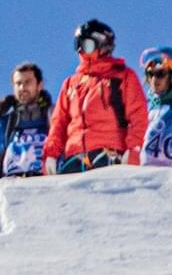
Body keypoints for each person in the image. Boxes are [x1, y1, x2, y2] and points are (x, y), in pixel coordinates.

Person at [44, 19, 149, 174]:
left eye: (86, 45)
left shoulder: (122, 77)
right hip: (74, 156)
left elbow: (138, 117)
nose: (81, 50)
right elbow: (59, 122)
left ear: (103, 45)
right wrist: (51, 154)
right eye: (77, 45)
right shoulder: (71, 84)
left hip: (108, 152)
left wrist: (134, 150)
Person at [0, 63, 51, 191]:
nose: (22, 87)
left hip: (47, 187)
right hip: (12, 191)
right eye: (18, 83)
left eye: (27, 82)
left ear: (39, 85)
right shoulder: (5, 123)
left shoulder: (52, 117)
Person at [140, 47, 172, 168]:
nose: (155, 79)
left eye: (160, 74)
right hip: (148, 174)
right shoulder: (147, 107)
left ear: (171, 75)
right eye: (151, 74)